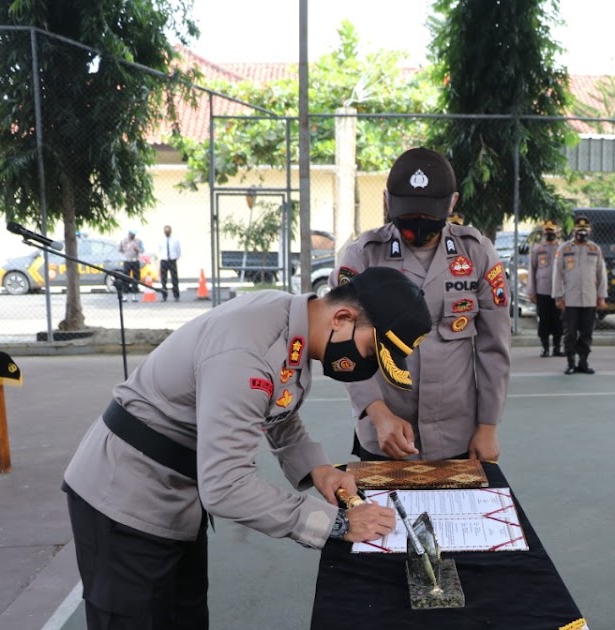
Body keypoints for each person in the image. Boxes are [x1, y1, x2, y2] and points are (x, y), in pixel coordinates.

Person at [62, 266, 430, 629]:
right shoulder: (248, 349)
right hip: (125, 499)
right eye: (370, 352)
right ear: (343, 317)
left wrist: (319, 468)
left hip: (178, 495)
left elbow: (276, 408)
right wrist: (335, 524)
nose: (365, 366)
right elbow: (225, 486)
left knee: (182, 618)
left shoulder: (292, 324)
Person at [330, 147, 511, 462]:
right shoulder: (363, 257)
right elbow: (344, 343)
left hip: (458, 435)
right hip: (385, 435)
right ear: (387, 201)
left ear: (452, 203)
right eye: (408, 216)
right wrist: (377, 413)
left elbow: (493, 348)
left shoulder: (477, 254)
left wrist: (488, 426)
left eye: (428, 217)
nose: (417, 225)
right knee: (383, 512)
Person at [553, 215, 607, 375]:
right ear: (574, 230)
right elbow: (558, 274)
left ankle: (583, 362)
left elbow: (601, 274)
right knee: (570, 332)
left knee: (586, 332)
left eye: (584, 230)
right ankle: (570, 363)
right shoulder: (564, 249)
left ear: (589, 231)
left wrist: (601, 296)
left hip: (590, 299)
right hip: (570, 299)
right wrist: (558, 296)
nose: (581, 233)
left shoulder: (595, 249)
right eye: (579, 230)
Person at [528, 219, 565, 357]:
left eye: (552, 231)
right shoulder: (537, 249)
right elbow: (532, 270)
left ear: (557, 232)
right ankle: (545, 348)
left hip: (558, 292)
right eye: (547, 231)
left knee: (558, 320)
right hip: (542, 291)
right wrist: (531, 291)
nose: (549, 233)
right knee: (544, 320)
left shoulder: (562, 249)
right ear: (543, 232)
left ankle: (557, 348)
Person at [157, 224, 182, 302]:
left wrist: (175, 257)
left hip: (172, 260)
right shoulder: (161, 240)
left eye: (168, 230)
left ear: (170, 231)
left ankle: (176, 296)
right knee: (163, 280)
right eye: (165, 231)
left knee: (174, 279)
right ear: (164, 232)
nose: (167, 232)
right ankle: (164, 296)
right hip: (164, 260)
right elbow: (160, 250)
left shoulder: (175, 240)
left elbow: (178, 251)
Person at [118, 228, 144, 302]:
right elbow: (120, 249)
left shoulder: (138, 241)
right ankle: (125, 296)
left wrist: (137, 250)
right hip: (127, 261)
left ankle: (134, 296)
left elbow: (142, 250)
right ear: (128, 234)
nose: (132, 236)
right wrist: (125, 253)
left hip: (135, 261)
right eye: (131, 234)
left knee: (135, 278)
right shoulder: (124, 241)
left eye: (134, 235)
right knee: (125, 278)